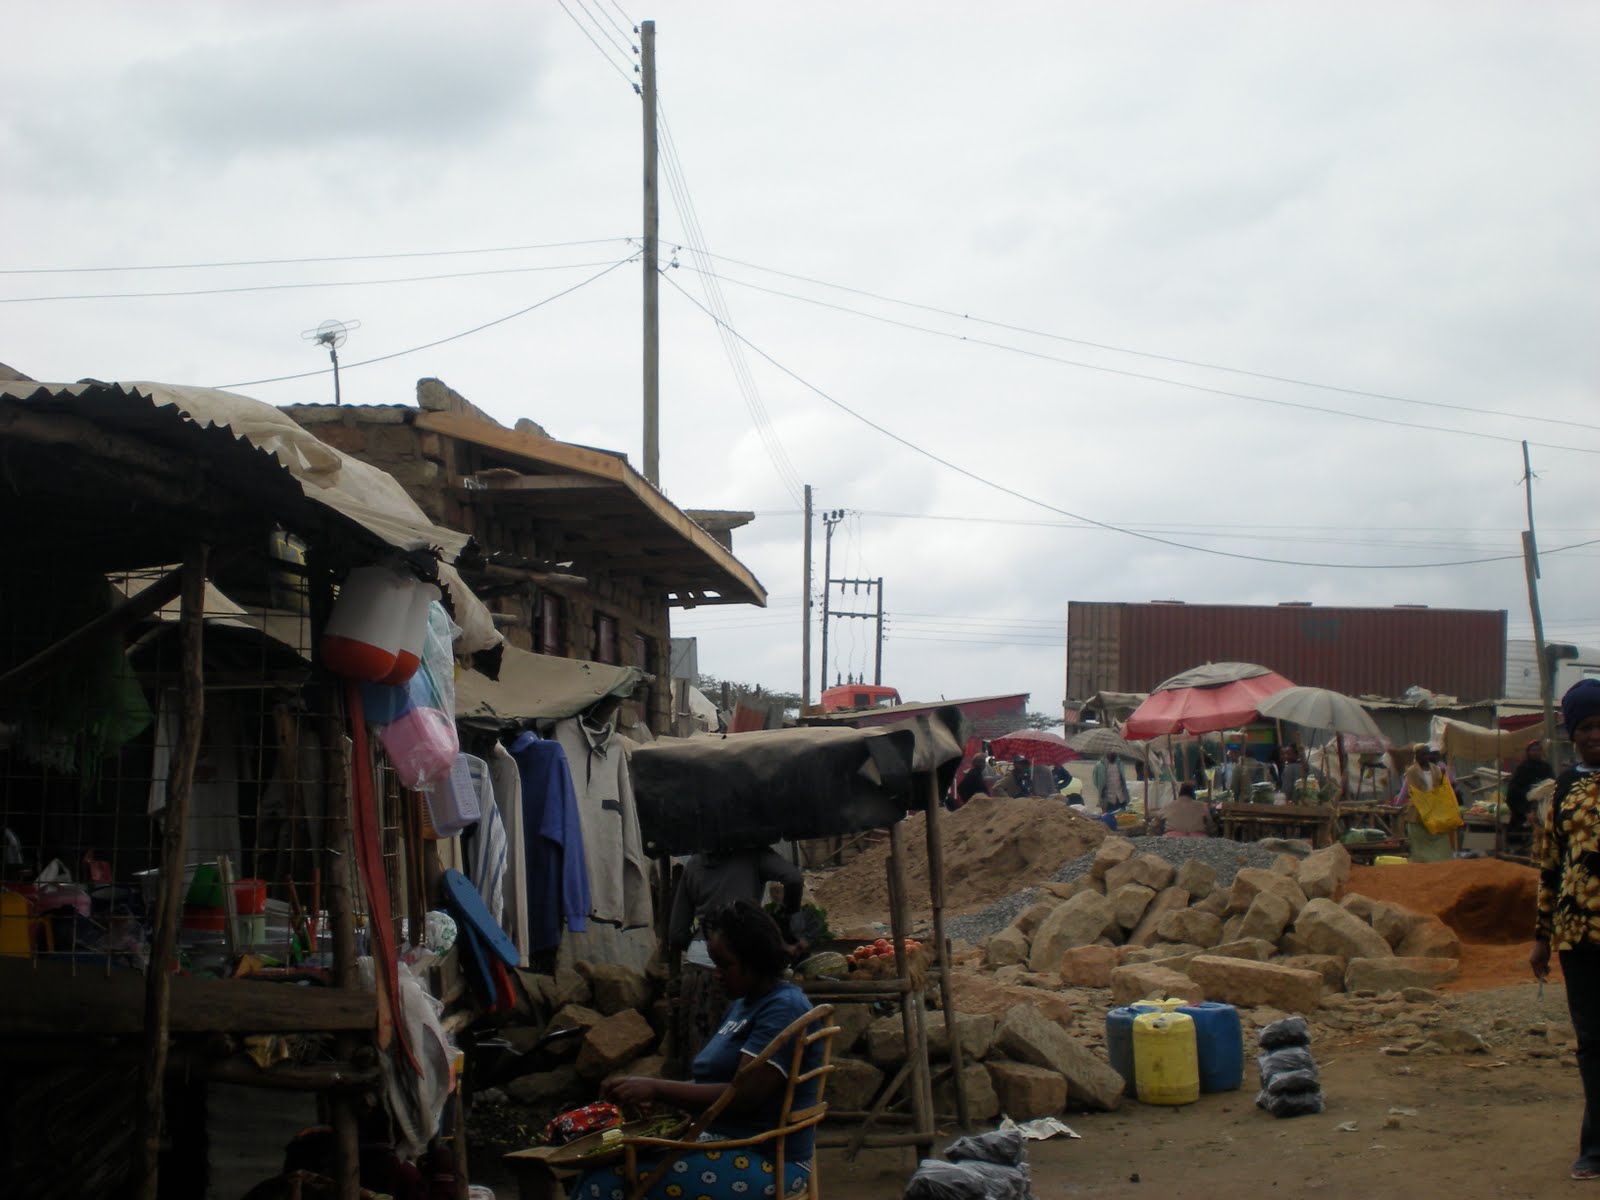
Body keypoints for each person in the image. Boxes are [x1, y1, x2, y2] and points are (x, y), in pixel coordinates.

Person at [574, 902, 822, 1199]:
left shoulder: (783, 1008)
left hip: (766, 1159)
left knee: (605, 1181)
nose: (716, 974)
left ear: (754, 960)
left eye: (724, 964)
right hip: (722, 1142)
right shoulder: (744, 1004)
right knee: (598, 1163)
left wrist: (657, 1088)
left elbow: (742, 1095)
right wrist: (654, 1092)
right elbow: (716, 1085)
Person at [1530, 678, 1600, 1182]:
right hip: (1579, 936)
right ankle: (1594, 1148)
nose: (1597, 735)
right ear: (1573, 734)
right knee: (1593, 1042)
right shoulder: (1563, 789)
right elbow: (1550, 868)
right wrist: (1540, 936)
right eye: (1588, 728)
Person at [668, 848, 804, 1066]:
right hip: (743, 962)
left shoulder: (694, 863)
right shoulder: (753, 853)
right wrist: (787, 926)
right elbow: (794, 879)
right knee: (737, 1061)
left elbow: (676, 933)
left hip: (697, 966)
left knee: (700, 1054)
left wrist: (703, 946)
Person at [1400, 743, 1458, 863]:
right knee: (1420, 842)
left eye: (1427, 754)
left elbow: (1446, 786)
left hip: (1435, 811)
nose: (1425, 757)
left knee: (1440, 839)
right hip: (1418, 812)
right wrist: (1398, 804)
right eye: (1422, 754)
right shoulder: (1411, 772)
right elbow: (1405, 790)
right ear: (1416, 756)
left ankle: (1440, 862)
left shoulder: (1437, 769)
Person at [1507, 740, 1556, 848]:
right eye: (1533, 750)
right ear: (1528, 752)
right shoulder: (1523, 768)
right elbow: (1515, 789)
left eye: (1538, 750)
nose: (1536, 752)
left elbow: (1552, 783)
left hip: (1544, 801)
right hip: (1526, 802)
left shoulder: (1546, 767)